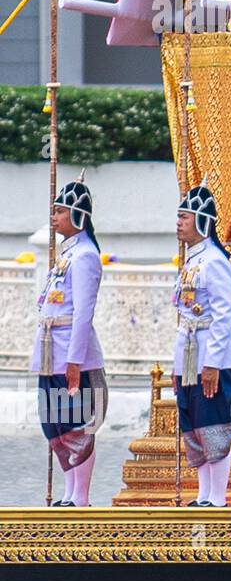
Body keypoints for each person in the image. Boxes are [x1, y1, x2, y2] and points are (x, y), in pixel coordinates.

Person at [32, 175, 107, 507]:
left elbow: (83, 314)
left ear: (77, 215)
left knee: (78, 424)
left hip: (73, 355)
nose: (54, 217)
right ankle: (68, 491)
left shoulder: (86, 255)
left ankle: (81, 496)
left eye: (60, 211)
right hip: (51, 350)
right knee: (56, 424)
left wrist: (74, 362)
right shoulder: (66, 253)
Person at [172, 182, 231, 508]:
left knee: (213, 423)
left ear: (201, 221)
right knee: (193, 424)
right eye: (179, 217)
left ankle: (218, 497)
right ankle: (202, 493)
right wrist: (176, 367)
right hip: (187, 355)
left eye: (184, 217)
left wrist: (212, 363)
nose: (179, 223)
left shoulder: (215, 261)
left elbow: (224, 316)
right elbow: (184, 317)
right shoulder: (190, 261)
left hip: (211, 358)